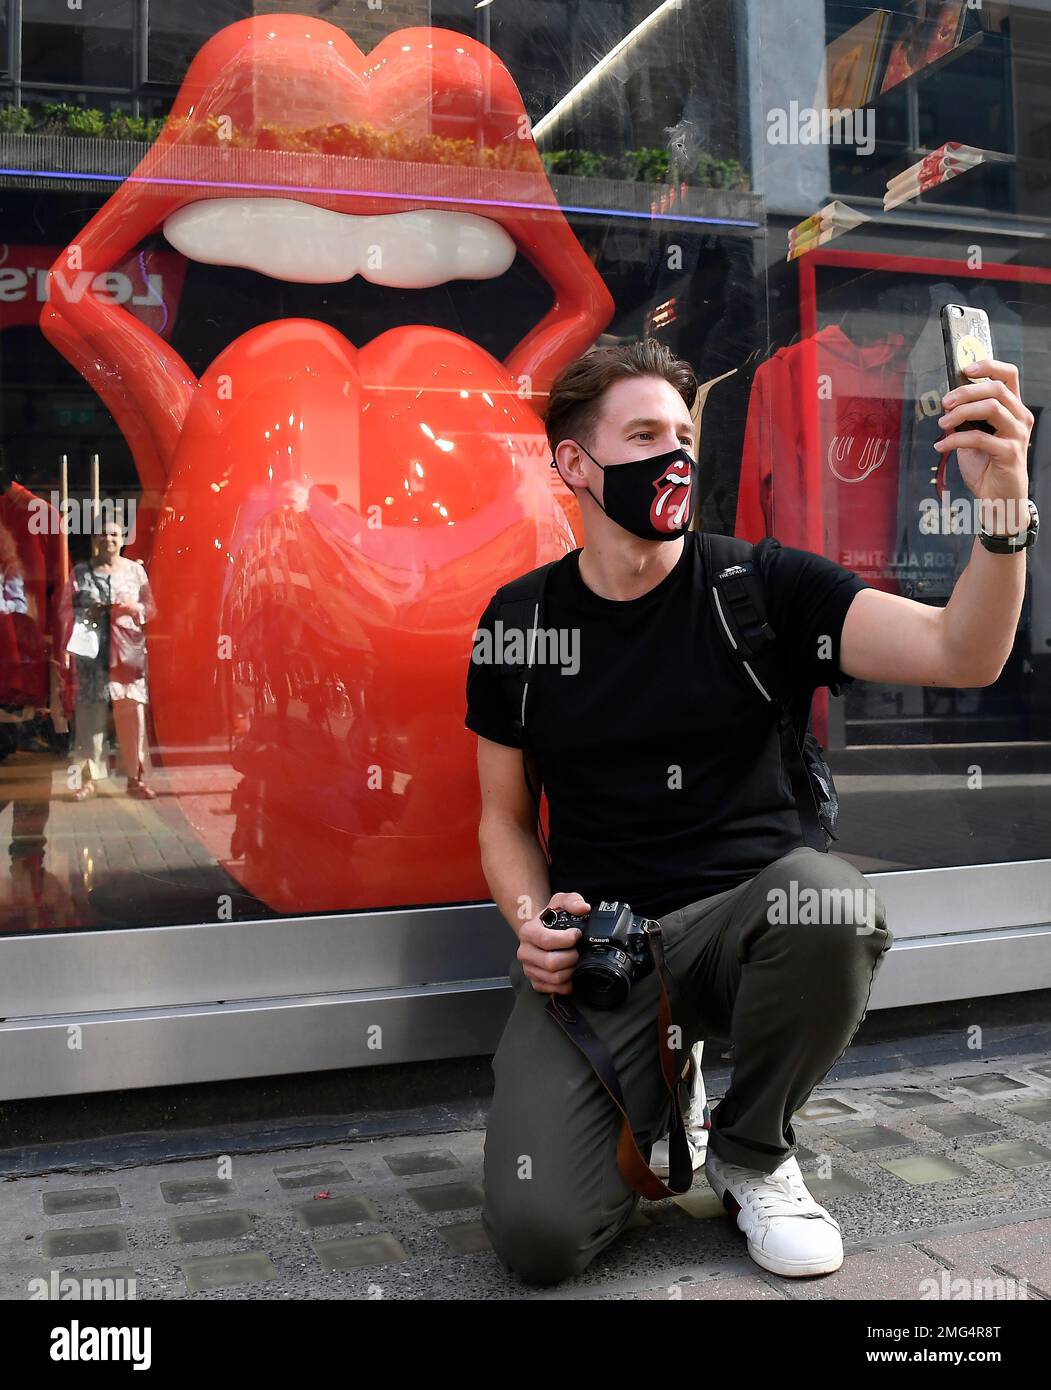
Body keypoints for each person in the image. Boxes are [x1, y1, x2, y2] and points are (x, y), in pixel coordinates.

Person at [464, 339, 1034, 1286]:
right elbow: (503, 819)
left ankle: (751, 1151)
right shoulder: (518, 626)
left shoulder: (759, 587)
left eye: (683, 433)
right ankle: (661, 1082)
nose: (674, 454)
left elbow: (960, 651)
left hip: (747, 930)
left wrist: (1004, 506)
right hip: (613, 948)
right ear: (572, 463)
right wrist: (532, 925)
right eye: (644, 433)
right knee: (538, 1238)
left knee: (830, 900)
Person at [60, 515, 158, 801]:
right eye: (103, 534)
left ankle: (135, 778)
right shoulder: (80, 573)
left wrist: (133, 609)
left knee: (132, 715)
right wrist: (84, 621)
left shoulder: (136, 572)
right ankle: (89, 779)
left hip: (127, 654)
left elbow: (150, 608)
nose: (109, 539)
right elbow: (65, 610)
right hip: (94, 654)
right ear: (94, 540)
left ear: (122, 539)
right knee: (91, 716)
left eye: (114, 534)